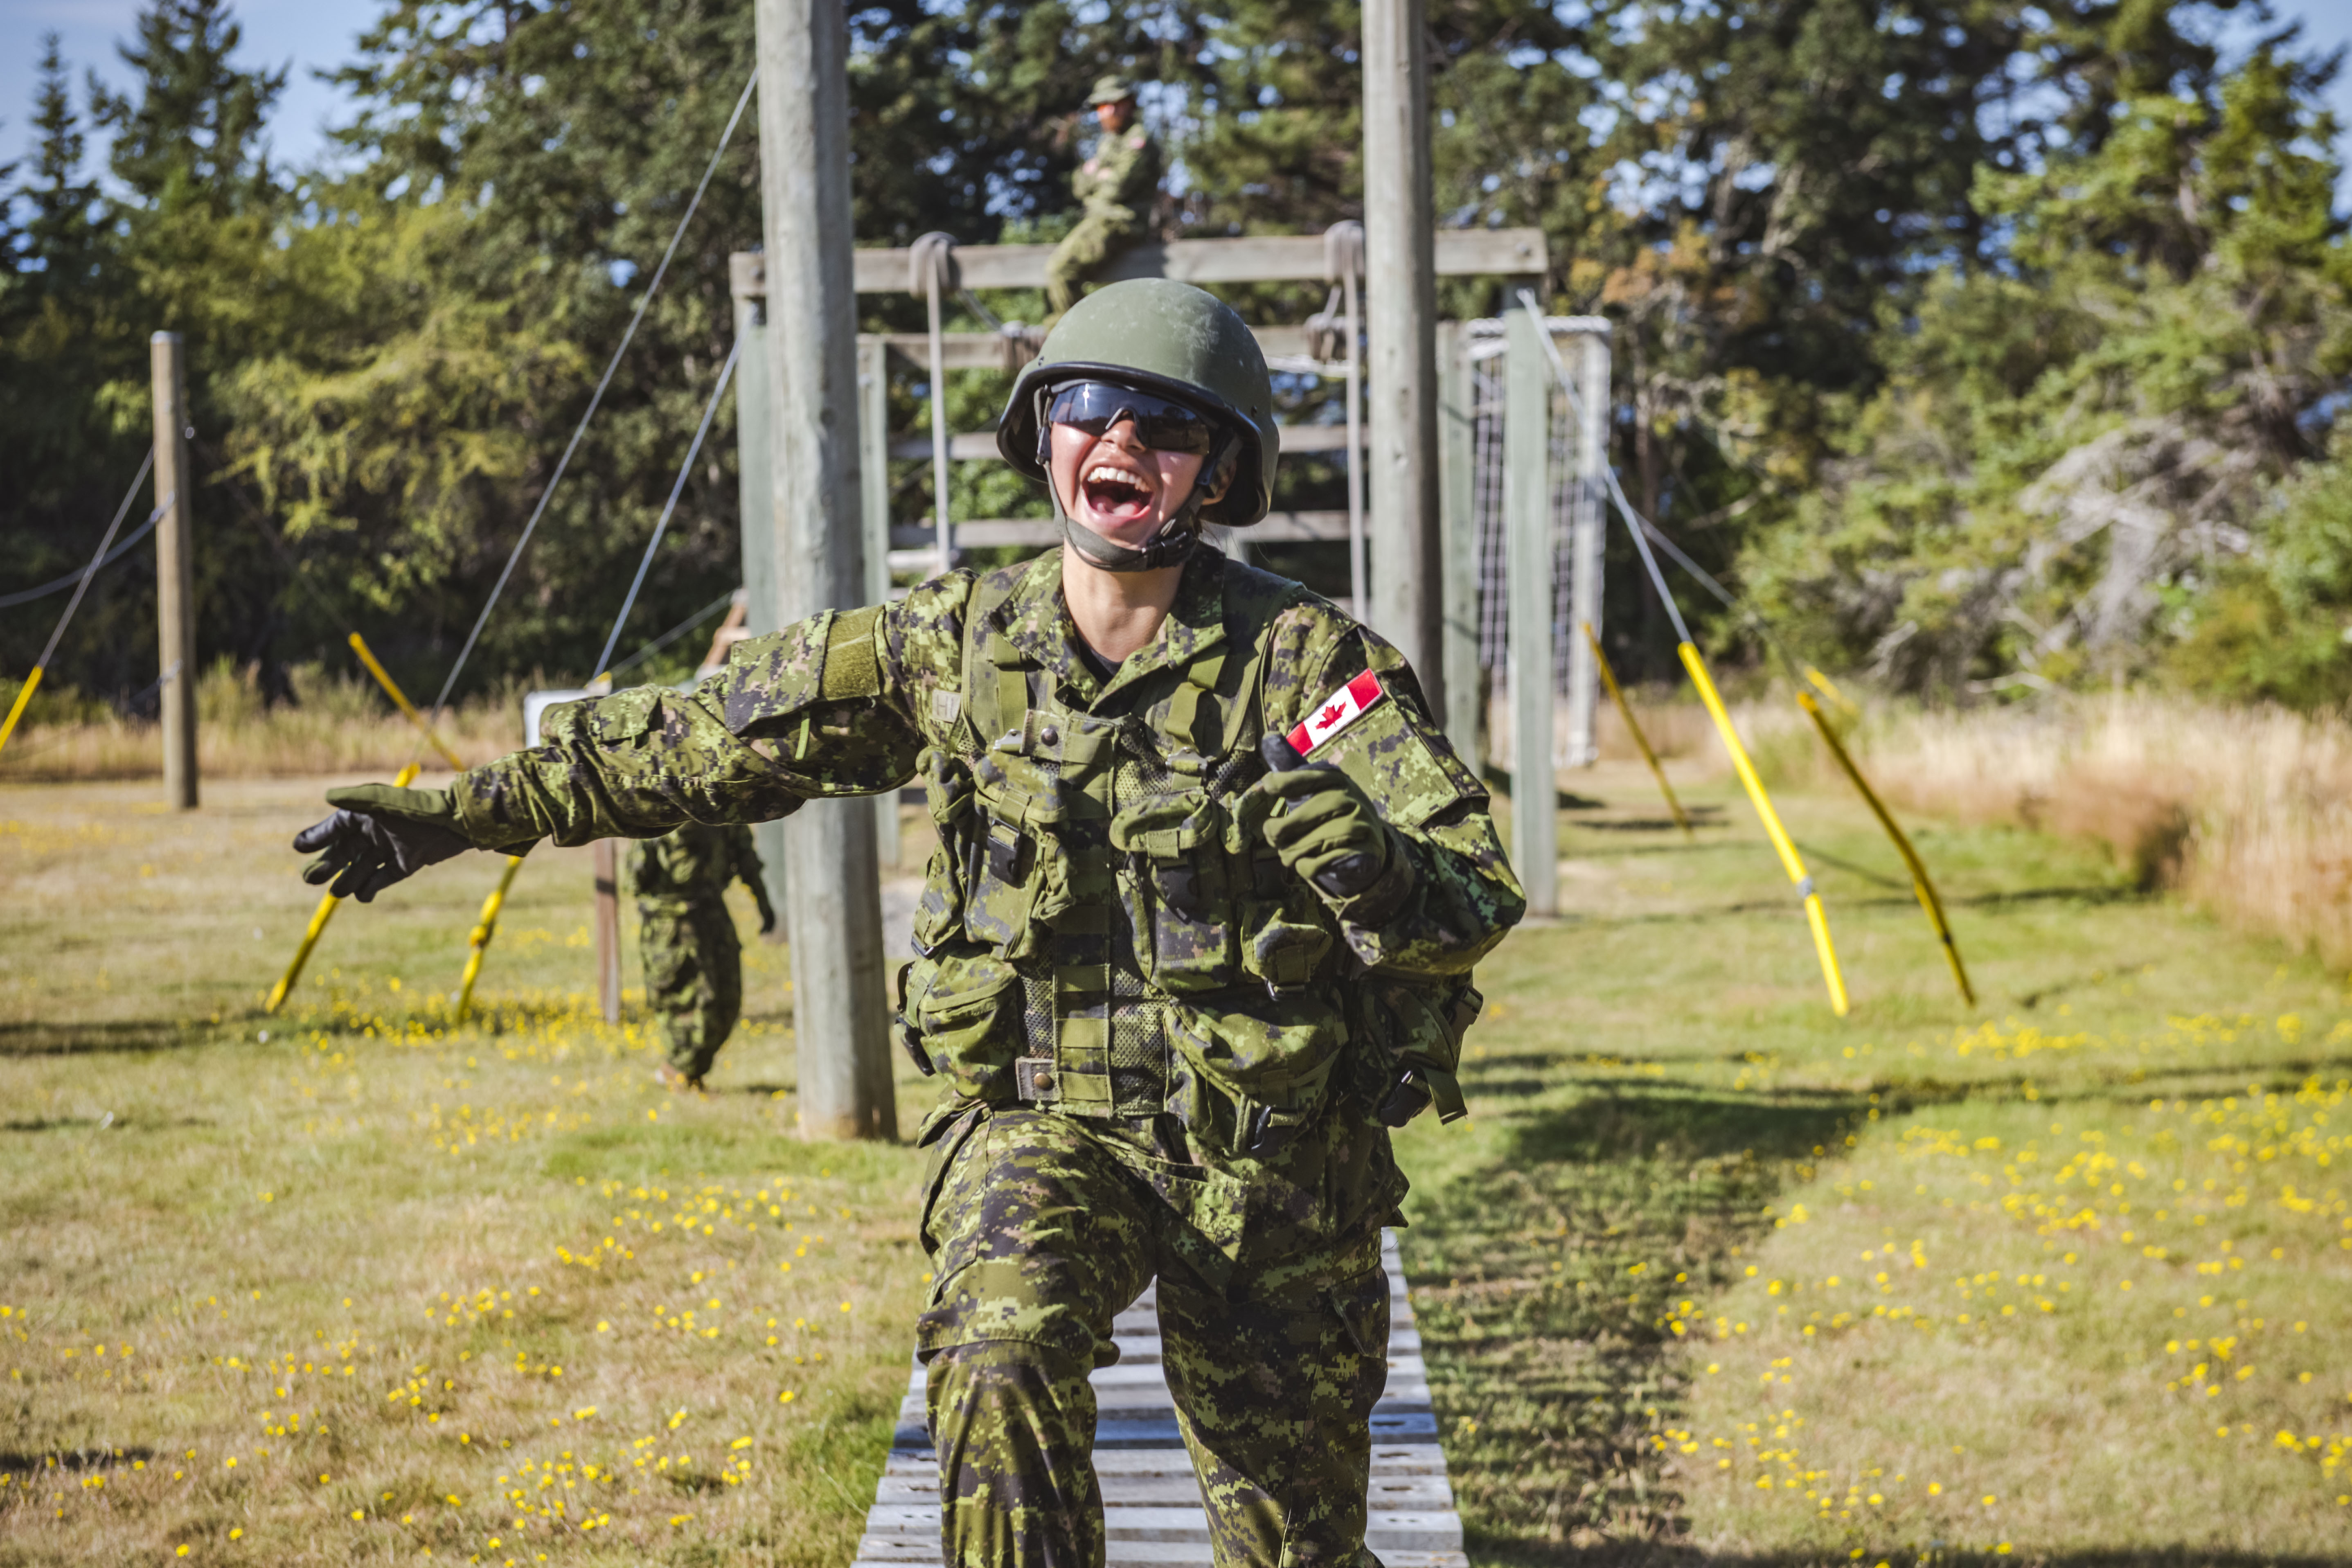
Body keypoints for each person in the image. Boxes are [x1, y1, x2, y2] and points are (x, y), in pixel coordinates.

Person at [289, 277, 1524, 1568]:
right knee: (995, 1347)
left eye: (1167, 426)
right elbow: (705, 740)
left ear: (1215, 474)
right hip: (1047, 1123)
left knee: (1295, 1548)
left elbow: (1472, 893)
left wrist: (1374, 871)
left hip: (1275, 1165)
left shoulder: (1312, 670)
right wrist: (467, 810)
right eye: (1091, 405)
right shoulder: (954, 644)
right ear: (1043, 433)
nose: (1122, 440)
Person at [627, 820, 774, 1091]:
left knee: (726, 1001)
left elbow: (744, 855)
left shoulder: (722, 804)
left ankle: (688, 1074)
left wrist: (764, 903)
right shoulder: (666, 804)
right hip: (671, 921)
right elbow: (636, 879)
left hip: (711, 911)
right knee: (686, 1005)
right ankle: (680, 1075)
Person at [1043, 76, 1163, 322]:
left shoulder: (1137, 140)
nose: (1106, 112)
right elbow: (1079, 186)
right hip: (1102, 220)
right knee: (1059, 272)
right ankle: (1071, 340)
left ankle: (1070, 344)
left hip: (1120, 222)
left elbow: (1117, 187)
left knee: (1061, 270)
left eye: (1114, 104)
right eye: (1101, 106)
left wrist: (1097, 174)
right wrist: (1100, 175)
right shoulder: (1109, 143)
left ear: (1129, 104)